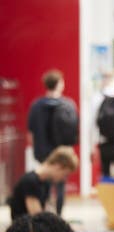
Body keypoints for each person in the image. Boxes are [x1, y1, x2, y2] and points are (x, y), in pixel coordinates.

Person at [27, 69, 79, 216]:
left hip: (43, 152)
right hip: (62, 152)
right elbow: (74, 130)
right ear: (59, 84)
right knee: (61, 185)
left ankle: (44, 214)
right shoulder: (68, 104)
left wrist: (36, 148)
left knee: (44, 183)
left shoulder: (36, 106)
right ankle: (59, 215)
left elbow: (30, 133)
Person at [8, 146, 78, 220]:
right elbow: (37, 217)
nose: (64, 179)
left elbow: (46, 212)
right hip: (25, 229)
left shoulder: (45, 182)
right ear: (58, 166)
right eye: (65, 174)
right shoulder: (30, 181)